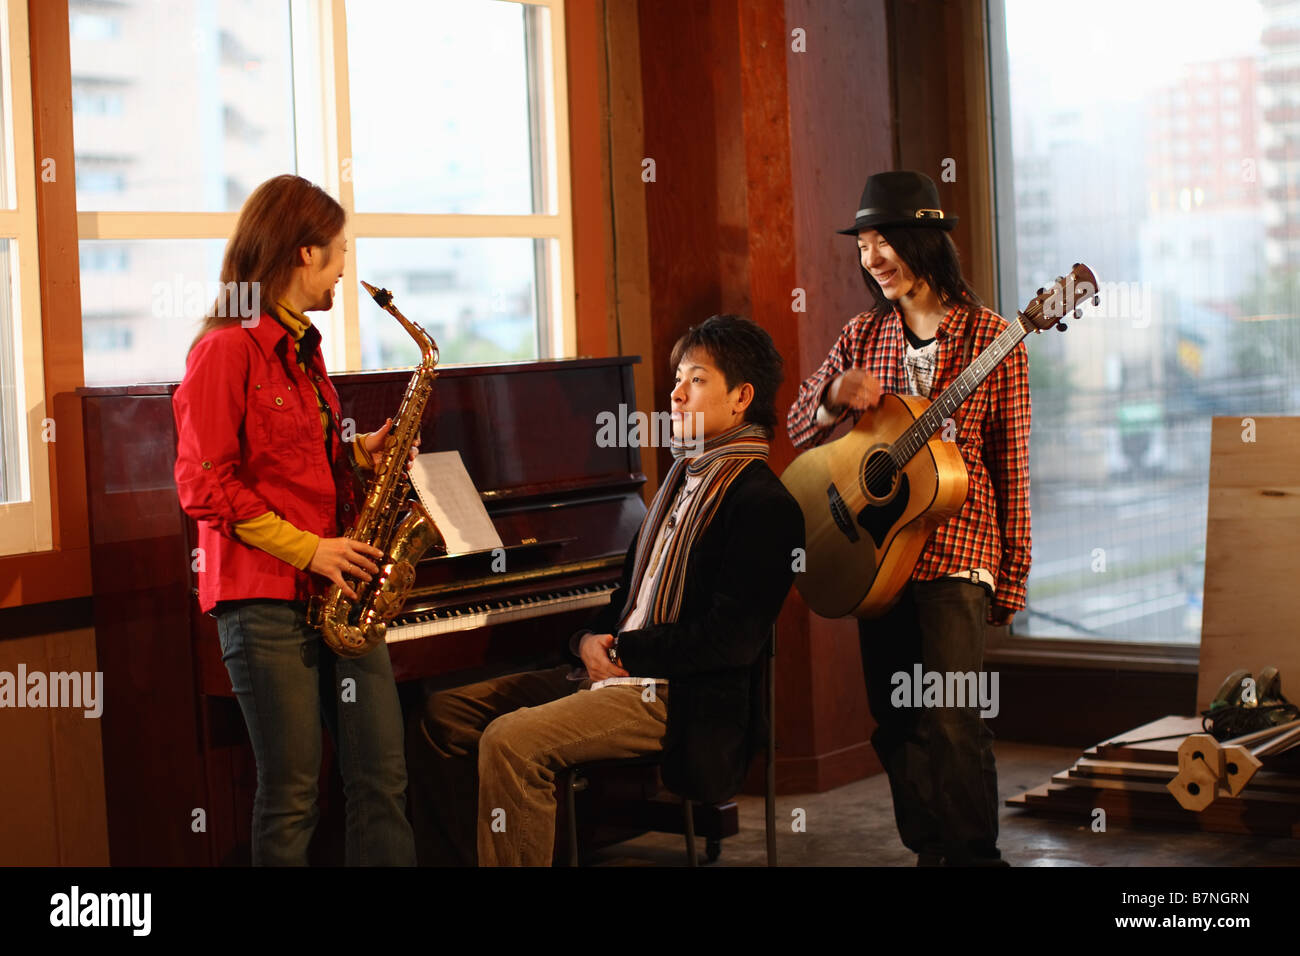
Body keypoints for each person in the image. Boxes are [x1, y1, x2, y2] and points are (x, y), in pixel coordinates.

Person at [412, 314, 804, 866]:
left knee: (511, 741)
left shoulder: (765, 506)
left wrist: (623, 651)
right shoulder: (677, 483)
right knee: (444, 715)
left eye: (695, 380)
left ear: (742, 397)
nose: (675, 393)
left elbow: (730, 641)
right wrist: (586, 642)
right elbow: (629, 602)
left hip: (677, 698)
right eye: (677, 379)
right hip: (620, 671)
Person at [787, 170, 1030, 866]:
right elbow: (803, 425)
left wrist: (1012, 575)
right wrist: (836, 391)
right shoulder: (862, 333)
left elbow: (1013, 464)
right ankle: (931, 851)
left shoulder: (995, 338)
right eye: (862, 246)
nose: (872, 259)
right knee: (895, 719)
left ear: (922, 241)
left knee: (953, 718)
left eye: (883, 241)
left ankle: (974, 858)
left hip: (959, 547)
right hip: (873, 553)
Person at [173, 173, 417, 866]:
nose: (345, 270)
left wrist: (363, 457)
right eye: (338, 253)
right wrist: (311, 551)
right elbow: (205, 484)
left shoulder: (305, 352)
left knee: (382, 779)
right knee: (290, 798)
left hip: (338, 592)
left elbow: (295, 465)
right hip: (266, 603)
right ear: (303, 254)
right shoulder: (225, 350)